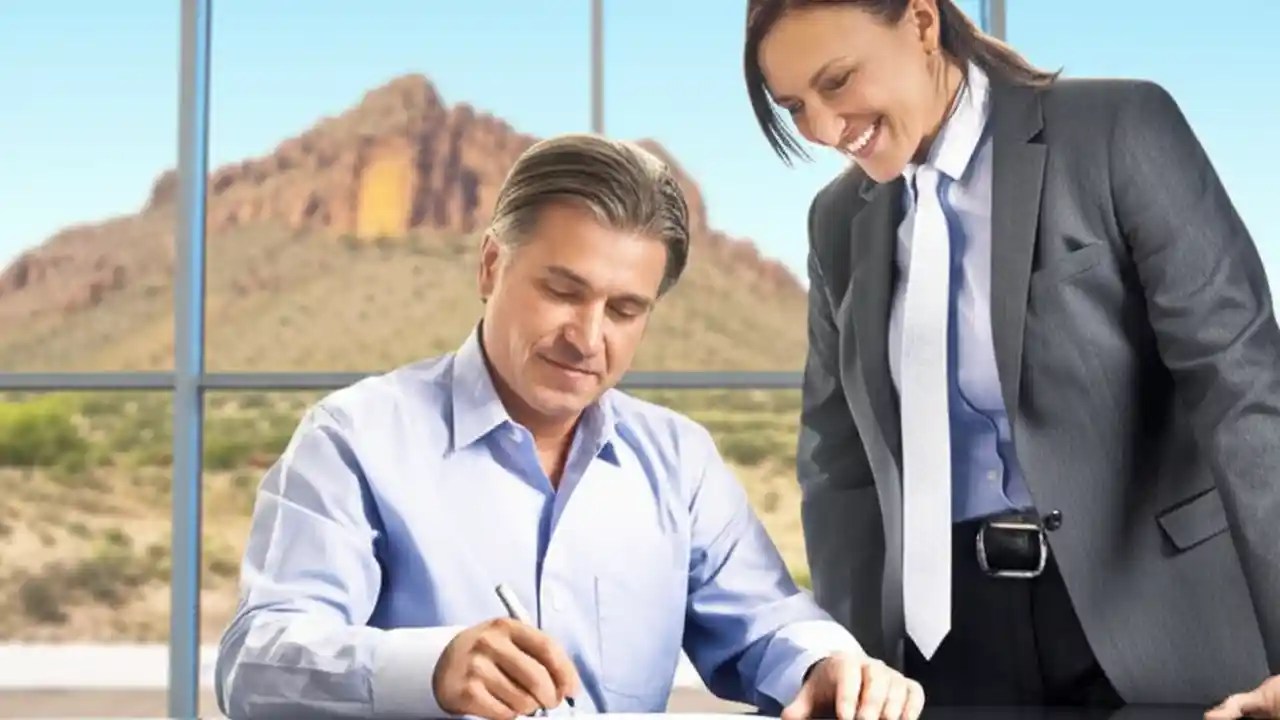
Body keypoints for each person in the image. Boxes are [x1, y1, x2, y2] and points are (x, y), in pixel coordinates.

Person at [214, 133, 925, 720]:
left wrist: (830, 664)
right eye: (562, 291)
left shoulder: (679, 461)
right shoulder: (355, 438)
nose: (587, 338)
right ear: (491, 265)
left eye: (624, 310)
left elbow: (766, 623)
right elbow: (258, 662)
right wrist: (431, 669)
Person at [740, 0, 1280, 716]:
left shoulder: (1116, 130)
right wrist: (849, 658)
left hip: (1153, 622)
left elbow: (1241, 389)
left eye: (837, 81)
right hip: (947, 643)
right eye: (795, 106)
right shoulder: (839, 221)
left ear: (923, 24)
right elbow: (837, 463)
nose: (822, 128)